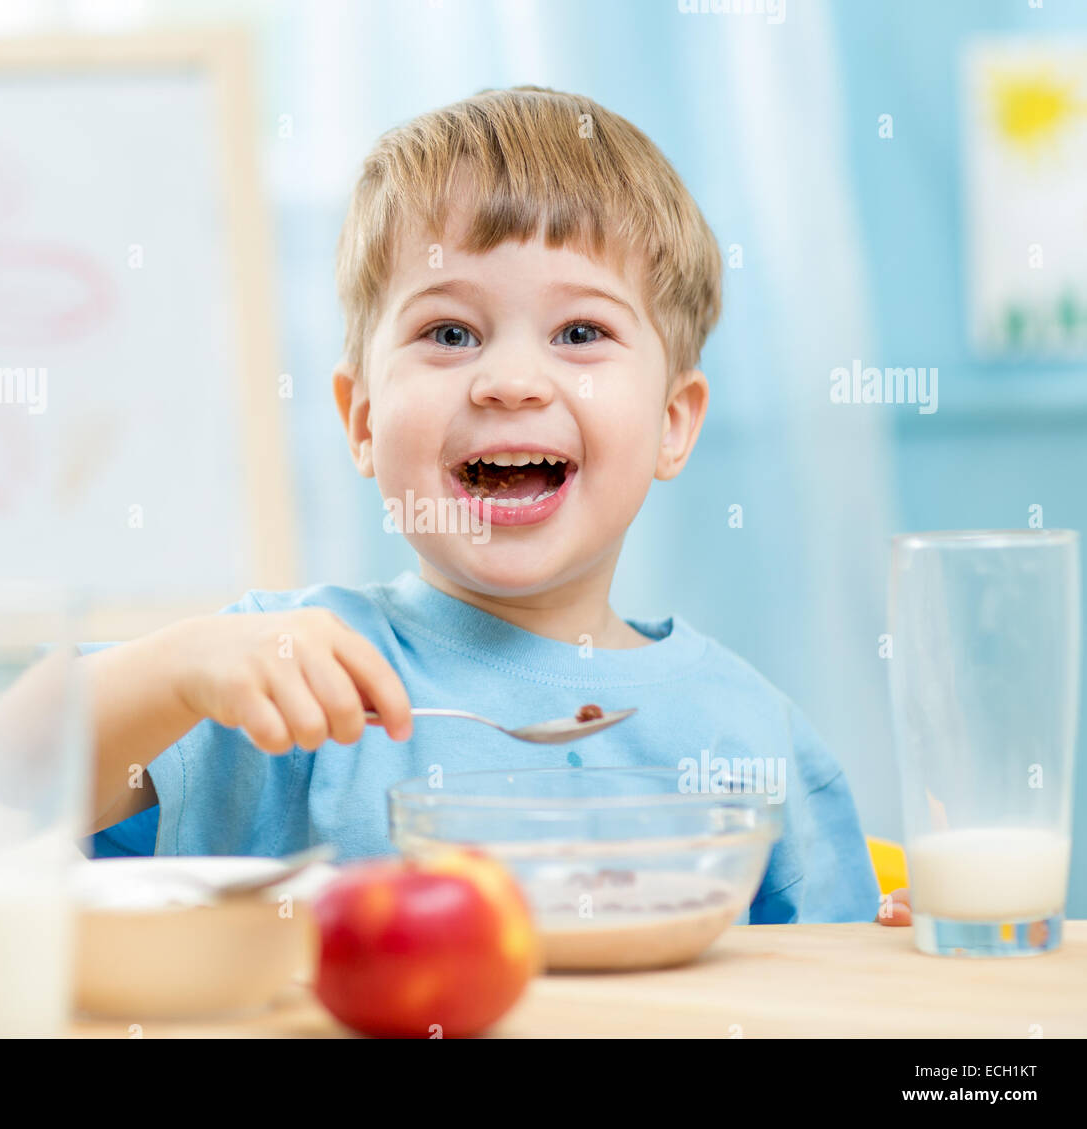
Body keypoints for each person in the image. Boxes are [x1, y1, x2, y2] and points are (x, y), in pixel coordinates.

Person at [73, 85, 891, 925]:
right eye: (450, 333)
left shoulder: (755, 736)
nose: (509, 382)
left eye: (579, 334)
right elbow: (10, 777)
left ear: (672, 423)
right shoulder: (290, 682)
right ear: (360, 419)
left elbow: (839, 991)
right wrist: (178, 670)